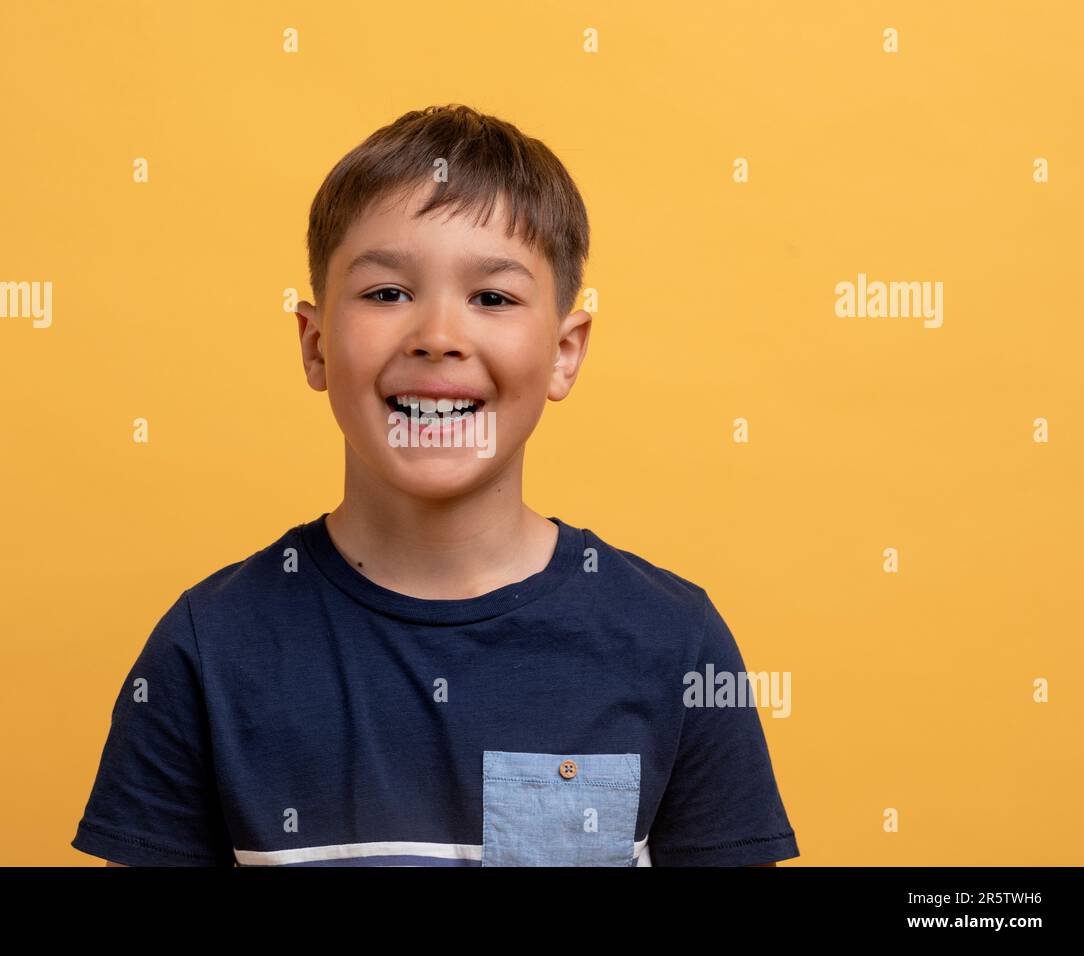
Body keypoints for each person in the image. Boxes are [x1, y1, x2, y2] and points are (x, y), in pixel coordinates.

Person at [72, 104, 799, 867]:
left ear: (564, 352)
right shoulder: (205, 651)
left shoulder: (675, 643)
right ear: (316, 346)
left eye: (493, 297)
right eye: (387, 294)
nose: (438, 336)